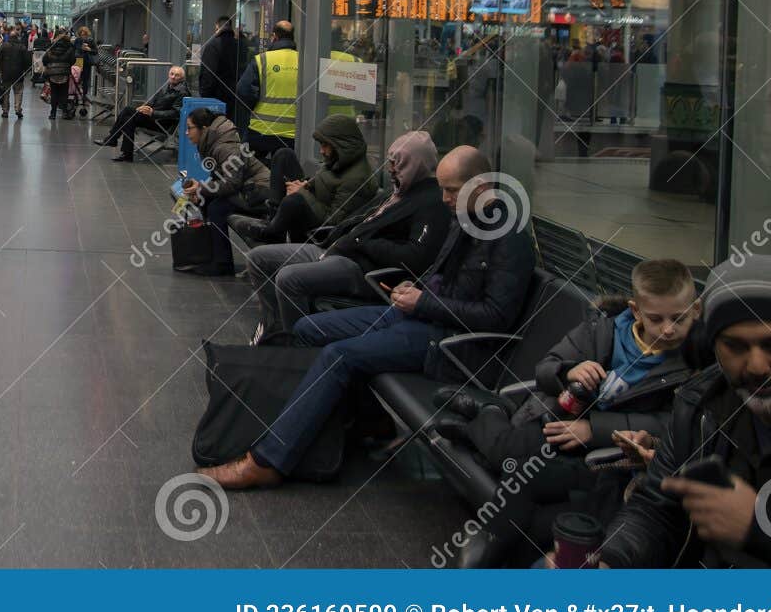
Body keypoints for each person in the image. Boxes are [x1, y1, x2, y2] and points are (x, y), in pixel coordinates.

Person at [199, 146, 535, 489]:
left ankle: (269, 460)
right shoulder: (465, 218)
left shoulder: (508, 239)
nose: (445, 198)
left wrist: (422, 304)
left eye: (451, 190)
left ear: (479, 187)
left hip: (448, 342)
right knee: (307, 328)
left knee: (339, 355)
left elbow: (495, 317)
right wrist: (412, 290)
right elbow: (442, 277)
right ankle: (360, 422)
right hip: (420, 316)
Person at [440, 258, 701, 568]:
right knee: (513, 464)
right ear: (635, 310)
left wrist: (595, 429)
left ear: (696, 311)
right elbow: (546, 368)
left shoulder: (695, 363)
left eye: (679, 318)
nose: (668, 329)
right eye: (656, 319)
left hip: (610, 457)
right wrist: (568, 372)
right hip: (563, 424)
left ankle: (485, 420)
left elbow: (673, 424)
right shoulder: (603, 330)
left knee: (516, 474)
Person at [598, 255, 771, 568]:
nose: (757, 366)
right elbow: (656, 509)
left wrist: (763, 531)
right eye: (736, 347)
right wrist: (609, 561)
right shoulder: (698, 406)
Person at [247, 130, 447, 338]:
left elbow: (415, 257)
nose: (390, 169)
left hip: (361, 265)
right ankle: (275, 327)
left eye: (396, 163)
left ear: (414, 164)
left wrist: (363, 242)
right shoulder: (396, 192)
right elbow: (355, 218)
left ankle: (298, 342)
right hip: (337, 247)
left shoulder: (431, 202)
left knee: (289, 278)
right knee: (258, 258)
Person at [233, 114, 376, 246]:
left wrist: (302, 193)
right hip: (316, 202)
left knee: (293, 201)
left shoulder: (357, 178)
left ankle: (272, 232)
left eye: (325, 145)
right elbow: (324, 181)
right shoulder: (339, 159)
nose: (321, 151)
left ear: (341, 145)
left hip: (320, 230)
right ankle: (275, 221)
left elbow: (334, 220)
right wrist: (306, 185)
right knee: (284, 155)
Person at [180, 108, 273, 278]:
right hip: (248, 189)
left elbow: (232, 183)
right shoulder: (214, 142)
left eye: (190, 128)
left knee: (217, 208)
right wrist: (200, 191)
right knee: (208, 201)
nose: (187, 133)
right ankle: (212, 257)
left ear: (205, 128)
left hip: (260, 193)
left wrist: (200, 188)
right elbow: (221, 179)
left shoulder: (225, 147)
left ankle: (222, 264)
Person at [96, 65, 189, 160]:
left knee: (127, 110)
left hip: (162, 124)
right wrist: (144, 107)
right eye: (171, 74)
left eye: (176, 75)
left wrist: (153, 113)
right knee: (128, 119)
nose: (173, 77)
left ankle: (112, 139)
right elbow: (152, 102)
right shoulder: (167, 87)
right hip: (153, 119)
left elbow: (176, 114)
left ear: (181, 78)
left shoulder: (182, 92)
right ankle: (126, 155)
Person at [238, 20, 299, 158]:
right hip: (293, 133)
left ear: (275, 37)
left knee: (246, 169)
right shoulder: (302, 60)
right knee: (286, 172)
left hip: (260, 130)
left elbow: (243, 90)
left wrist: (252, 108)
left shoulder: (262, 60)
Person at [198, 15, 244, 126]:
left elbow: (208, 73)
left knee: (215, 127)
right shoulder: (240, 45)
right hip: (236, 97)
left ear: (217, 27)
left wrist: (204, 94)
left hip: (217, 97)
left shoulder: (213, 45)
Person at [0, 31, 32, 120]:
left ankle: (5, 111)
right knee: (18, 92)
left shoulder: (4, 46)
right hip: (18, 73)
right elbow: (27, 60)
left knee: (5, 92)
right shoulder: (22, 47)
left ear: (9, 37)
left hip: (6, 73)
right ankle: (18, 109)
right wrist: (26, 71)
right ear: (17, 37)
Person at [42, 27, 76, 120]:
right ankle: (64, 112)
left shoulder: (51, 45)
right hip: (64, 73)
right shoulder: (69, 46)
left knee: (54, 93)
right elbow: (73, 60)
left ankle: (53, 113)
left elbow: (44, 59)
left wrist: (49, 65)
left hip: (52, 73)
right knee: (64, 93)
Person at [73, 25, 98, 98]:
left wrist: (89, 49)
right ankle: (76, 94)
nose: (83, 36)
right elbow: (74, 49)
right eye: (81, 35)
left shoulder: (90, 40)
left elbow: (95, 51)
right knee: (77, 78)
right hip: (78, 60)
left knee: (85, 79)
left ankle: (84, 95)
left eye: (84, 35)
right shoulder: (77, 40)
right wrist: (81, 48)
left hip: (87, 61)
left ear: (87, 34)